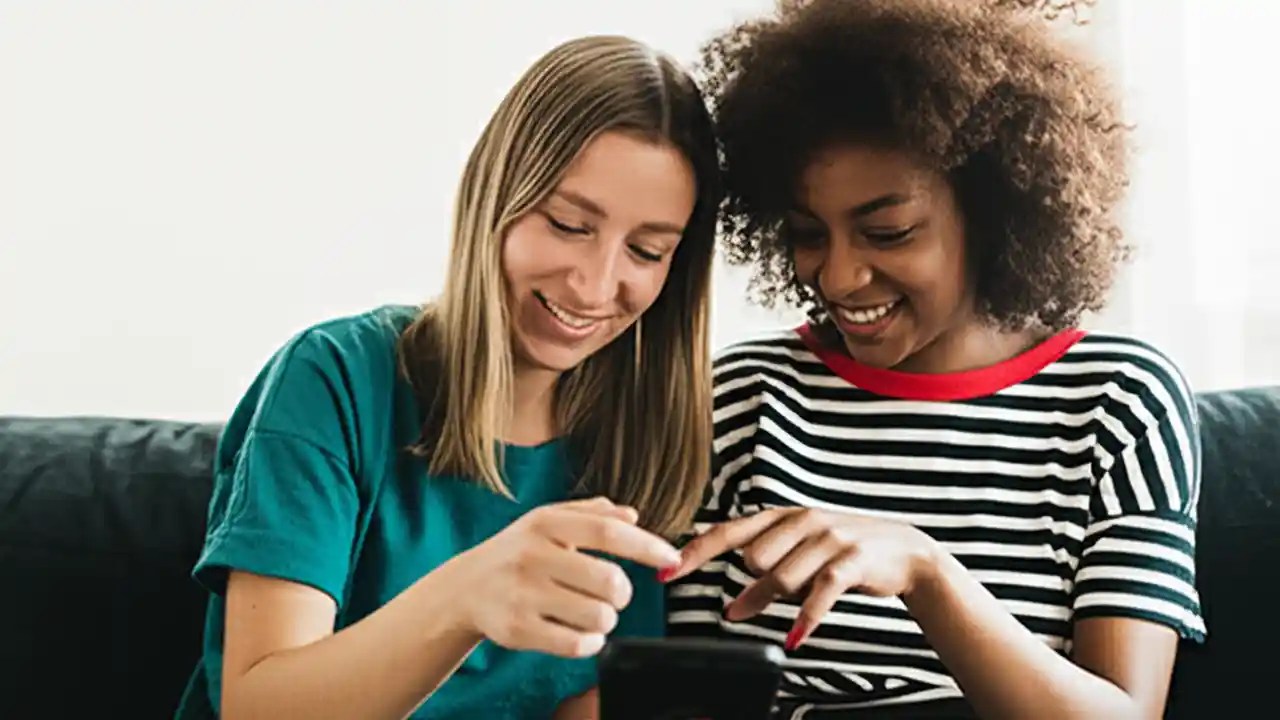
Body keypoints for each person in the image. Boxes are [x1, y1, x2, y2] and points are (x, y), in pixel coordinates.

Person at [663, 1, 1205, 718]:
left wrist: (926, 572)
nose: (838, 277)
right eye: (807, 233)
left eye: (888, 232)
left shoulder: (1118, 400)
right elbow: (675, 692)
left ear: (991, 208)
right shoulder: (744, 398)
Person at [174, 34, 721, 720]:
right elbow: (261, 708)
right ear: (497, 196)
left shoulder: (642, 439)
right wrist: (466, 598)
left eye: (646, 250)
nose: (594, 284)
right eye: (568, 224)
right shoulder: (336, 379)